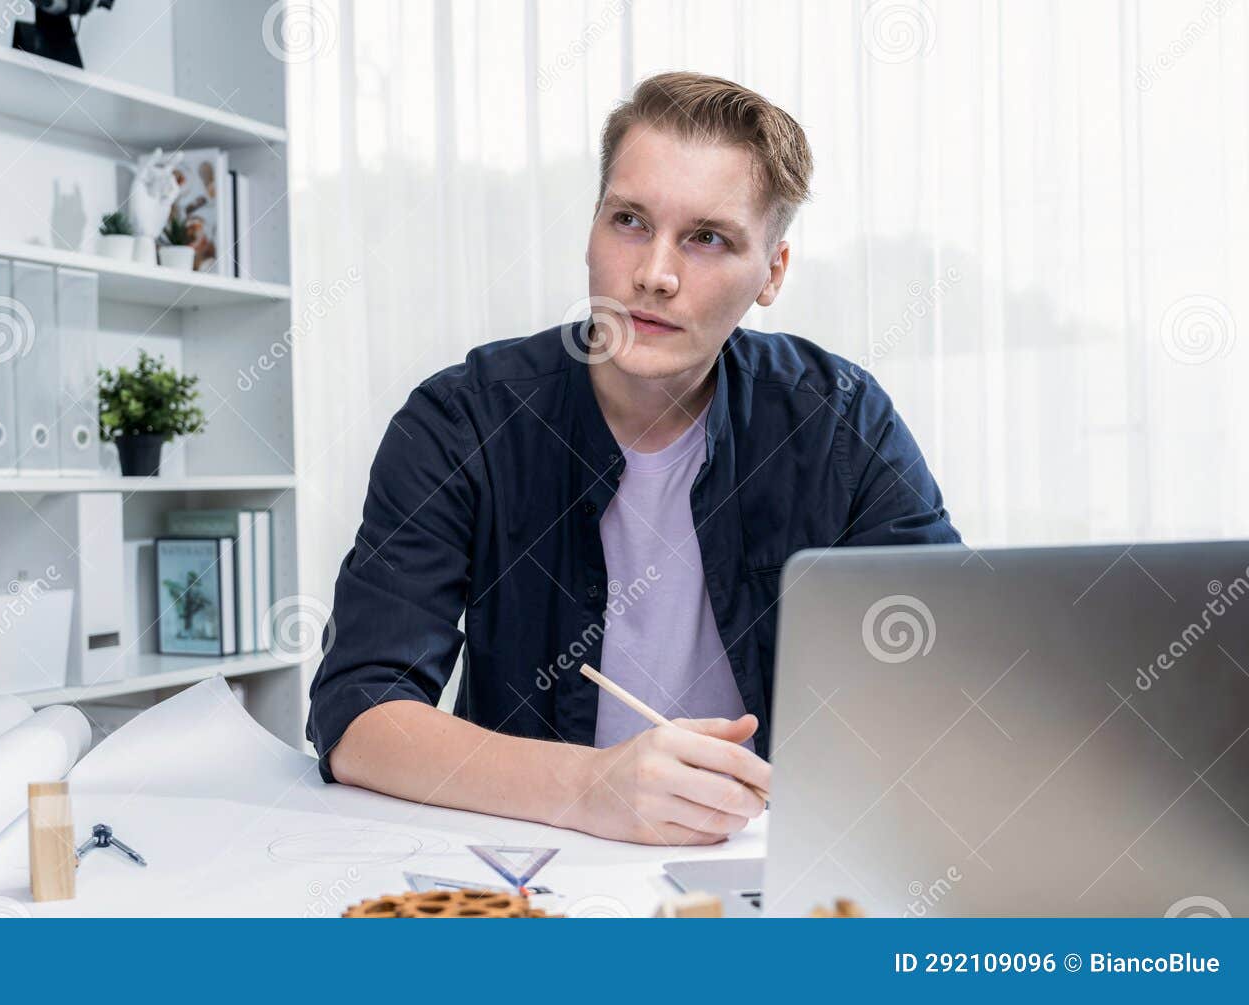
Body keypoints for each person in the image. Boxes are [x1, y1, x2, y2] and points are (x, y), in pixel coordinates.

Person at [306, 71, 960, 845]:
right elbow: (357, 717)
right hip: (537, 863)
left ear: (772, 273)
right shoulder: (462, 420)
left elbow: (945, 683)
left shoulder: (840, 422)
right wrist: (591, 789)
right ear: (590, 230)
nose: (654, 273)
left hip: (768, 866)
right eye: (629, 221)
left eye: (706, 238)